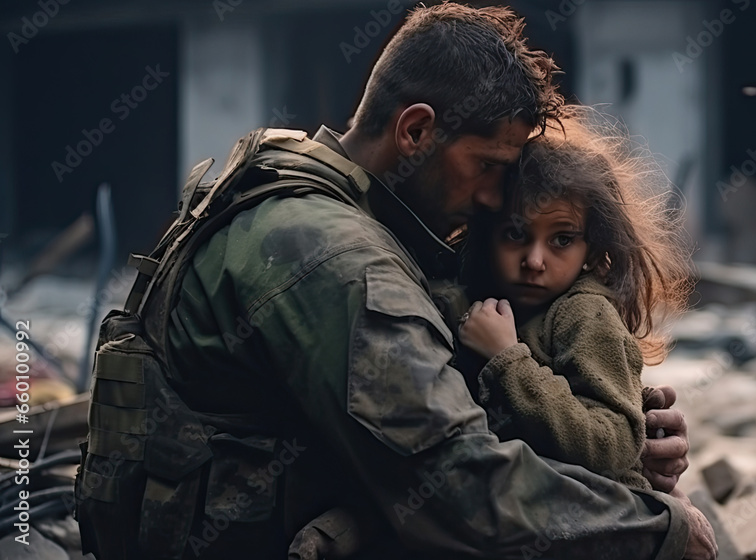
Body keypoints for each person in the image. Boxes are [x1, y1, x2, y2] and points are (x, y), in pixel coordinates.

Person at [76, 3, 716, 559]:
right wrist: (652, 529)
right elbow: (459, 490)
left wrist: (616, 435)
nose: (495, 199)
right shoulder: (332, 255)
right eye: (489, 167)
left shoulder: (311, 186)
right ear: (414, 130)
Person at [456, 107, 692, 493]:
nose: (534, 261)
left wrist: (507, 359)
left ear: (593, 249)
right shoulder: (504, 303)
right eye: (515, 235)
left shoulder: (584, 312)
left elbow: (612, 445)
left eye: (562, 240)